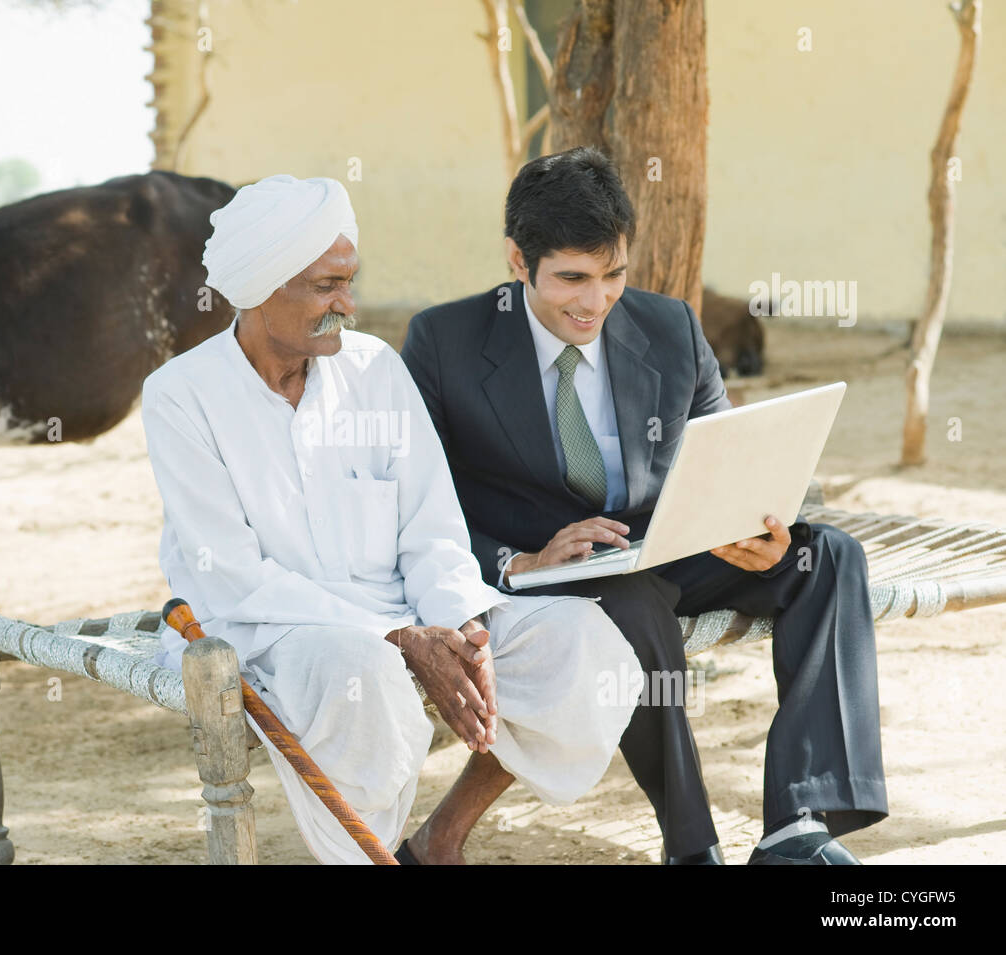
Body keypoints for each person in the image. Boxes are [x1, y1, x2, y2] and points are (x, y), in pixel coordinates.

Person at [401, 147, 887, 865]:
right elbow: (415, 505)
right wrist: (520, 559)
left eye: (612, 275)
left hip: (669, 544)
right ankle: (693, 849)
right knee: (631, 604)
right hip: (546, 570)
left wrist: (759, 528)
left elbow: (728, 452)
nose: (594, 301)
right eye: (571, 278)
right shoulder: (444, 342)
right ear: (517, 259)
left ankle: (796, 826)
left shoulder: (670, 327)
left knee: (828, 556)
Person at [141, 173, 642, 865]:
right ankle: (365, 855)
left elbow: (431, 530)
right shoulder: (181, 396)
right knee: (365, 670)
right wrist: (400, 635)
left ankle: (438, 836)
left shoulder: (374, 368)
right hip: (270, 631)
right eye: (327, 286)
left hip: (407, 613)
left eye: (349, 280)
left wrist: (460, 622)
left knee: (579, 639)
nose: (348, 303)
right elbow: (230, 577)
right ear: (260, 287)